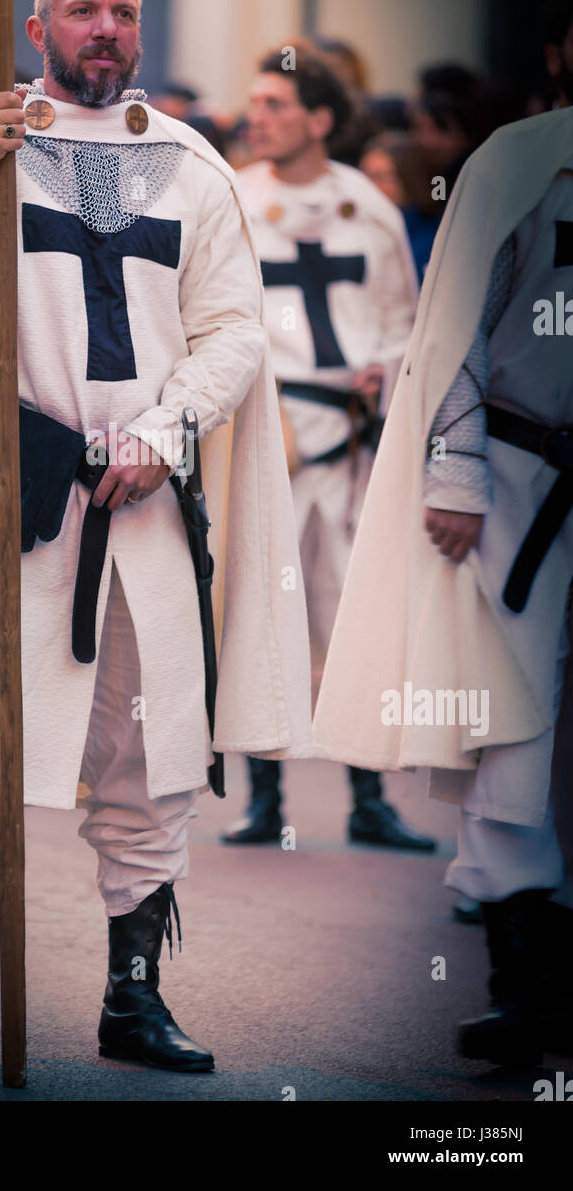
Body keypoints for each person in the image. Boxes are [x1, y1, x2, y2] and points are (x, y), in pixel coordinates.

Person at [0, 0, 312, 1075]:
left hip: (144, 507)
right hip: (15, 503)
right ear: (36, 29)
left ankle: (131, 1001)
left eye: (122, 11)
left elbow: (233, 327)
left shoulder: (189, 163)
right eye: (82, 11)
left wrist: (165, 428)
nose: (105, 28)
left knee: (150, 763)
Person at [313, 104, 573, 1066]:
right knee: (507, 712)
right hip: (512, 482)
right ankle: (529, 984)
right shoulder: (522, 160)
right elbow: (455, 324)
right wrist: (455, 472)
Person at [222, 52, 434, 853]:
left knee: (351, 616)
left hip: (344, 439)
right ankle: (262, 797)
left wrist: (386, 367)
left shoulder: (365, 207)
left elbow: (404, 316)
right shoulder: (236, 198)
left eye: (275, 104)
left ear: (318, 118)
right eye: (253, 104)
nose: (258, 117)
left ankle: (368, 797)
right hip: (260, 435)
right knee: (257, 613)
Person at [359, 131, 442, 284]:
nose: (367, 186)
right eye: (363, 176)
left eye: (379, 177)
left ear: (410, 180)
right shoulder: (360, 228)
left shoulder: (433, 242)